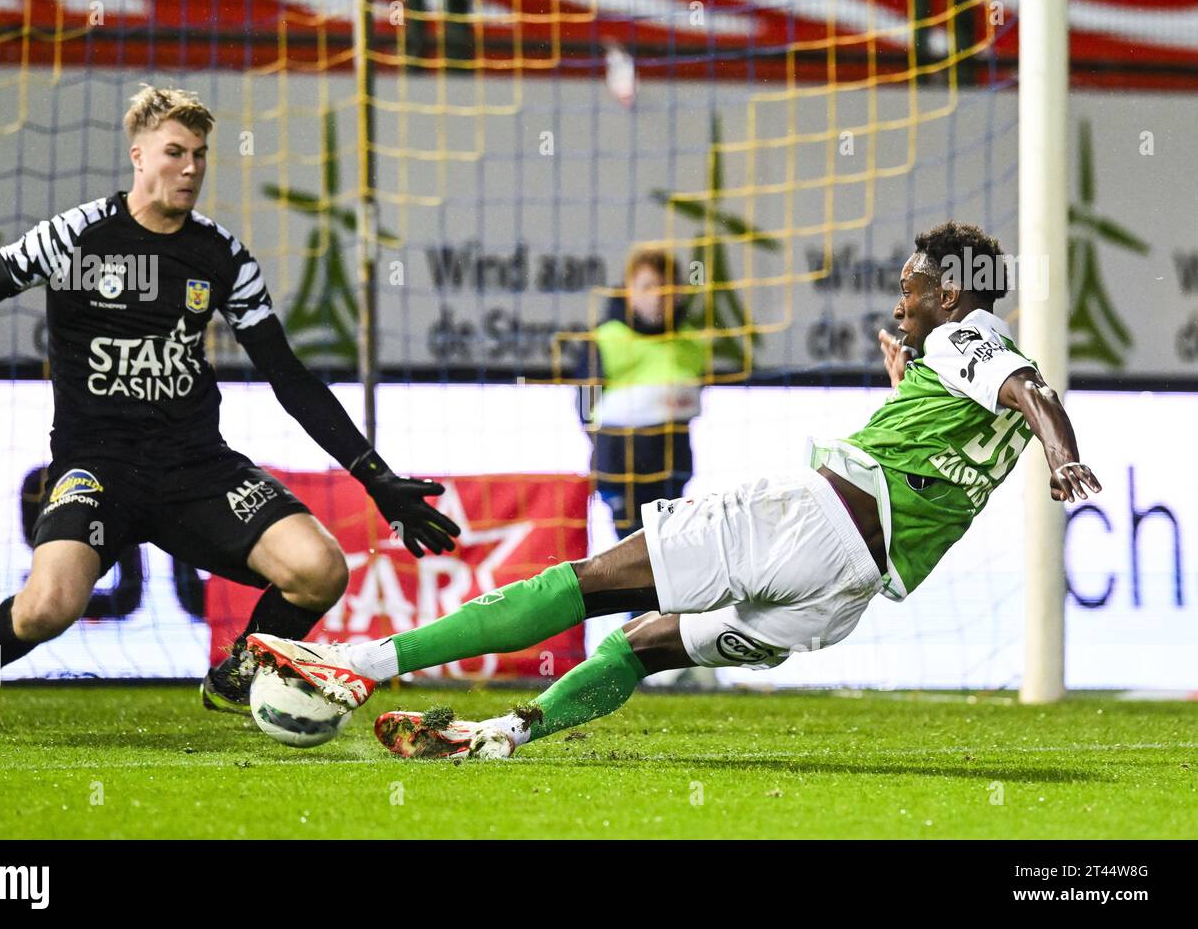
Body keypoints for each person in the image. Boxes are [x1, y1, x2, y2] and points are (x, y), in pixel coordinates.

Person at [246, 221, 1101, 760]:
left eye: (914, 285)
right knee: (646, 643)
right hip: (844, 595)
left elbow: (1034, 389)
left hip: (805, 525)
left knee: (582, 585)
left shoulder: (969, 338)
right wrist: (909, 390)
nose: (902, 297)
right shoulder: (956, 366)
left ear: (949, 293)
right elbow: (975, 423)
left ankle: (357, 665)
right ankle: (508, 733)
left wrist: (1064, 456)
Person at [0, 86, 459, 728]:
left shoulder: (221, 256)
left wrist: (375, 475)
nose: (190, 168)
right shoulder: (73, 237)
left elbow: (289, 376)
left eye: (199, 154)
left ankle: (235, 674)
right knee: (46, 607)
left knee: (320, 569)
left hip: (196, 468)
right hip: (98, 469)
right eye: (174, 152)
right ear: (138, 156)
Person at [581, 246, 703, 539]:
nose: (658, 295)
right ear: (629, 290)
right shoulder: (605, 338)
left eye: (666, 286)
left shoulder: (692, 342)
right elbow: (586, 405)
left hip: (672, 468)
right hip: (619, 468)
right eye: (648, 286)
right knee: (628, 551)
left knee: (668, 550)